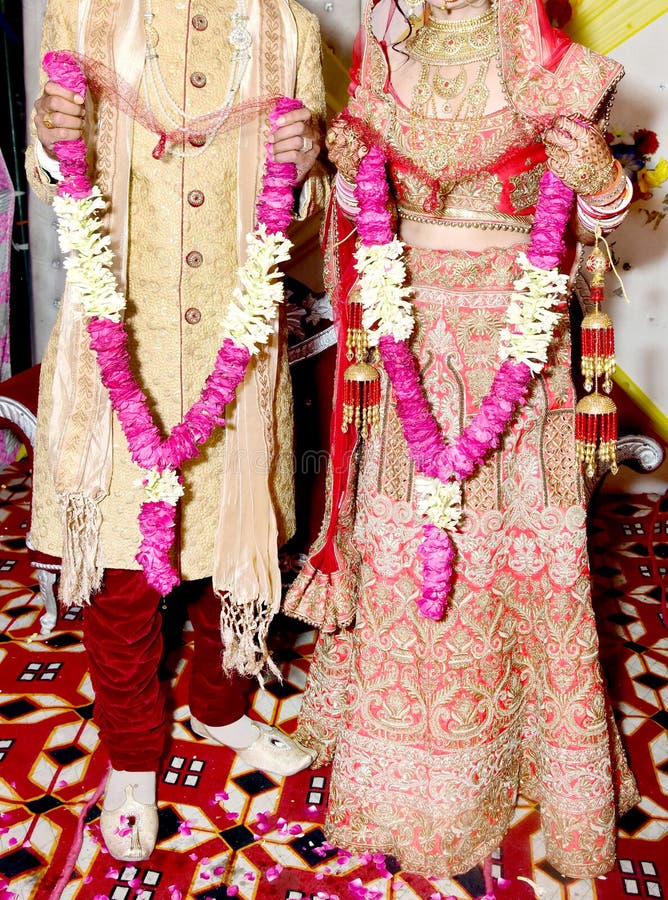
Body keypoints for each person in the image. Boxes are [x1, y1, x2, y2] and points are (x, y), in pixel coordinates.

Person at [285, 0, 639, 881]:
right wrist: (344, 163)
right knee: (405, 548)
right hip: (411, 342)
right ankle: (401, 770)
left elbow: (607, 218)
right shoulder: (386, 54)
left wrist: (599, 174)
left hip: (514, 354)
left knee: (506, 555)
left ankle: (510, 765)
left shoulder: (554, 63)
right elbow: (355, 214)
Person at [26, 0, 328, 862]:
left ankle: (224, 710)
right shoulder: (79, 17)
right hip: (122, 340)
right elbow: (52, 173)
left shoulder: (290, 30)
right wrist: (51, 138)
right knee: (123, 577)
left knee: (236, 562)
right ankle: (131, 756)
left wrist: (307, 166)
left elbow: (303, 217)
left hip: (238, 346)